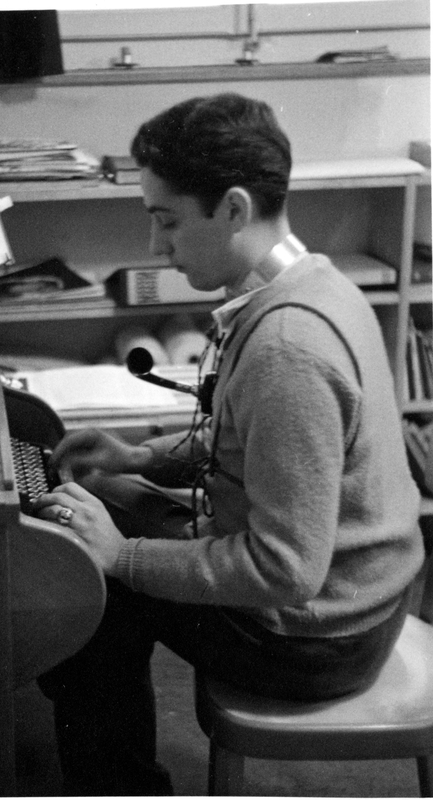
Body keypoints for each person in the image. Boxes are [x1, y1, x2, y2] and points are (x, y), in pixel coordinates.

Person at [32, 93, 425, 796]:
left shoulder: (287, 347)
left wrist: (120, 558)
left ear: (235, 209)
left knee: (96, 584)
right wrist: (137, 458)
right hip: (368, 594)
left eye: (167, 220)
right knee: (107, 499)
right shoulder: (313, 284)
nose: (157, 246)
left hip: (319, 637)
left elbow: (283, 571)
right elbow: (249, 442)